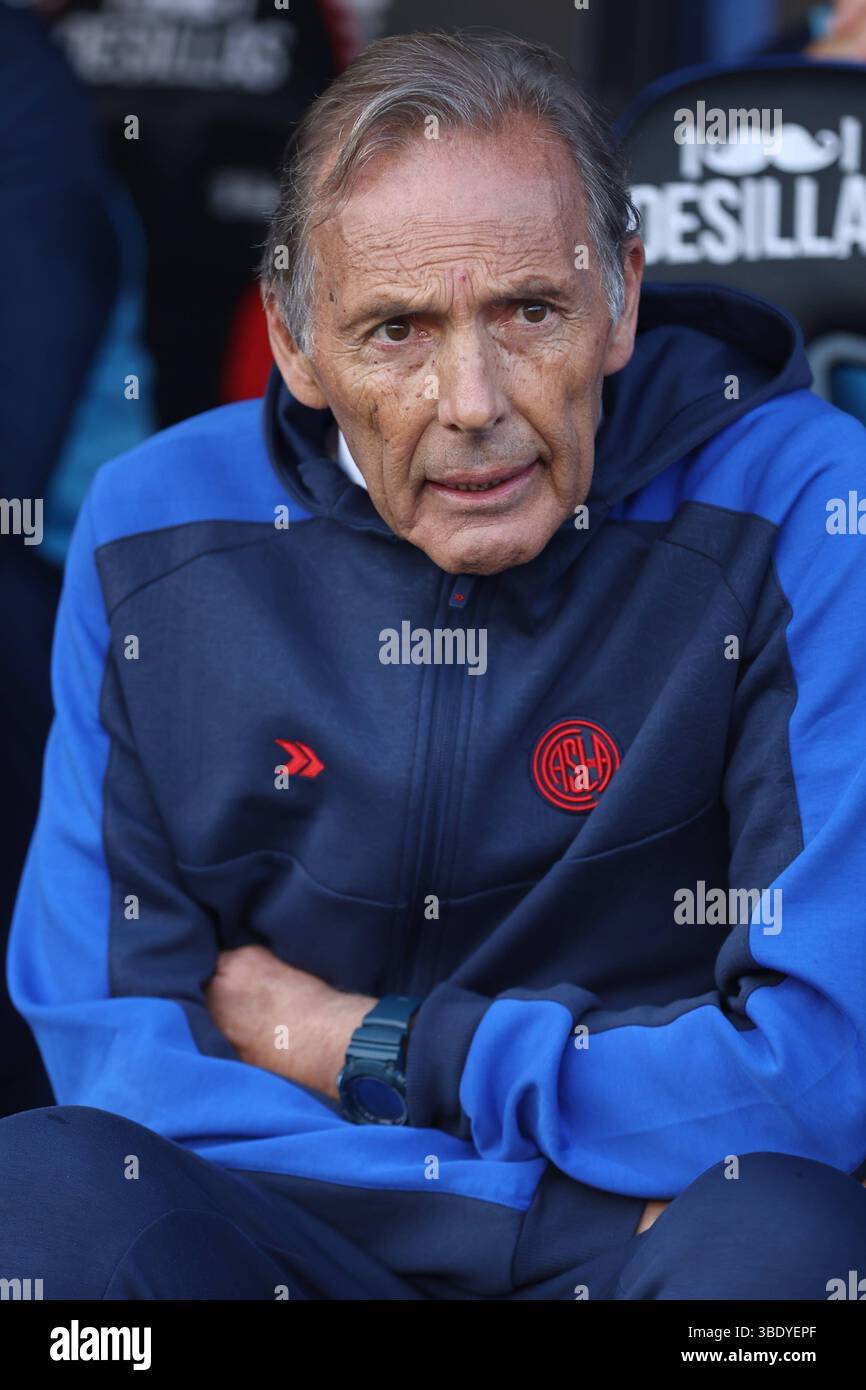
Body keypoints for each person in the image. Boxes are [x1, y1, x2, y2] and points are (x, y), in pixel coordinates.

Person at [4, 29, 866, 1301]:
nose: (471, 398)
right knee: (39, 1202)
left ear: (620, 295)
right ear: (294, 347)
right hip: (437, 1224)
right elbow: (114, 1057)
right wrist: (508, 1219)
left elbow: (819, 1074)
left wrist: (357, 1042)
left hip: (653, 1251)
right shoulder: (153, 529)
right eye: (397, 330)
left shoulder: (807, 506)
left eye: (528, 311)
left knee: (786, 1255)